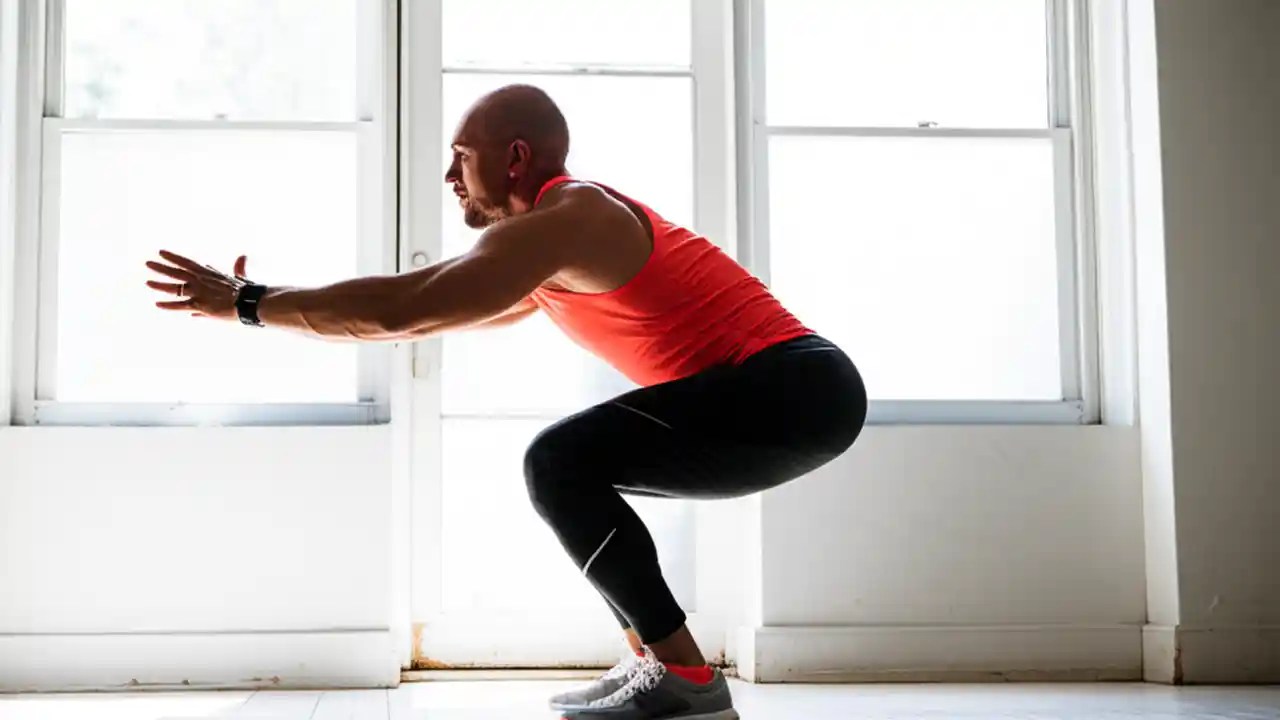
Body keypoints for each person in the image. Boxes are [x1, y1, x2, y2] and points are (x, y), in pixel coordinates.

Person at [145, 84, 867, 720]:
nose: (449, 176)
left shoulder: (572, 216)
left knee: (560, 461)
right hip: (790, 395)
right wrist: (270, 301)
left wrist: (248, 303)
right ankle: (658, 664)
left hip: (795, 388)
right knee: (572, 467)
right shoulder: (552, 249)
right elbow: (412, 314)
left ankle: (685, 678)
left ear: (515, 157)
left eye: (461, 156)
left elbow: (408, 307)